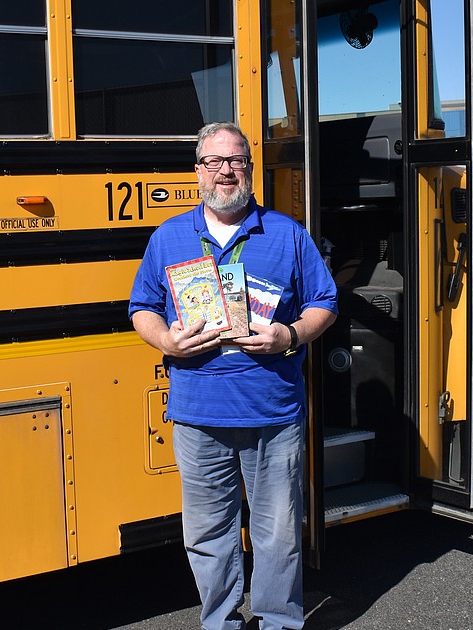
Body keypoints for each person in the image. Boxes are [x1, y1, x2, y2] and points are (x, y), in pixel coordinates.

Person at [128, 122, 338, 630]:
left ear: (249, 168)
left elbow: (325, 302)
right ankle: (220, 621)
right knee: (206, 533)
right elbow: (142, 308)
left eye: (236, 160)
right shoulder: (169, 237)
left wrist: (287, 336)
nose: (226, 171)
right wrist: (164, 340)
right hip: (197, 414)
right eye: (215, 161)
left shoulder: (287, 234)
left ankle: (278, 621)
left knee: (278, 533)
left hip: (273, 413)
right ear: (198, 171)